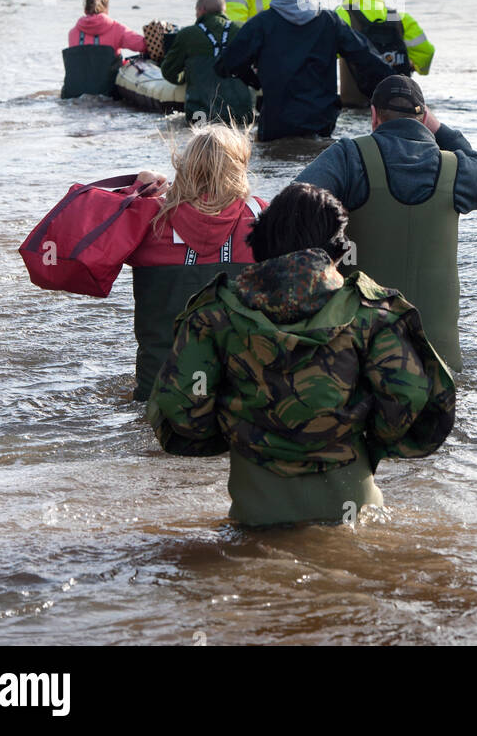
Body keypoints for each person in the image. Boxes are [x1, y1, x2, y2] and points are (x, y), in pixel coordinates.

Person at [147, 181, 456, 527]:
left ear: (261, 242)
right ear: (336, 250)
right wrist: (366, 442)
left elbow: (181, 404)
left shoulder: (214, 315)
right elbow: (409, 395)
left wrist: (237, 434)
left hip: (255, 511)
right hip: (352, 509)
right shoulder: (372, 314)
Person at [294, 74, 477, 370]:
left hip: (364, 353)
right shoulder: (456, 169)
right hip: (440, 363)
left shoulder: (349, 156)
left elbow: (294, 205)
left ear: (374, 115)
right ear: (424, 118)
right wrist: (442, 130)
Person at [124, 125, 267, 400]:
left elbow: (93, 243)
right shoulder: (261, 216)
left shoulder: (148, 219)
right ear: (238, 169)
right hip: (241, 392)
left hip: (159, 389)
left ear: (184, 167)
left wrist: (134, 191)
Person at [215, 0, 393, 142]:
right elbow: (364, 56)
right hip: (321, 117)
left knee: (276, 160)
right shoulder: (329, 20)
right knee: (317, 157)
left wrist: (254, 81)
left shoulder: (262, 23)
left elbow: (228, 64)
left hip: (277, 118)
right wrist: (396, 85)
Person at [160, 0, 256, 125]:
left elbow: (168, 71)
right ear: (224, 9)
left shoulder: (188, 34)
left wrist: (185, 78)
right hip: (242, 113)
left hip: (201, 115)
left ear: (201, 10)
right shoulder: (243, 29)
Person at [335, 0, 434, 108]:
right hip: (398, 103)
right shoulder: (400, 17)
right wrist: (418, 67)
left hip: (356, 104)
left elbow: (325, 52)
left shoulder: (343, 13)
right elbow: (427, 52)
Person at [68, 0, 145, 55]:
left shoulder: (73, 33)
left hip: (80, 73)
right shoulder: (117, 29)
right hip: (108, 73)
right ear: (106, 10)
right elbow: (142, 45)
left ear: (85, 10)